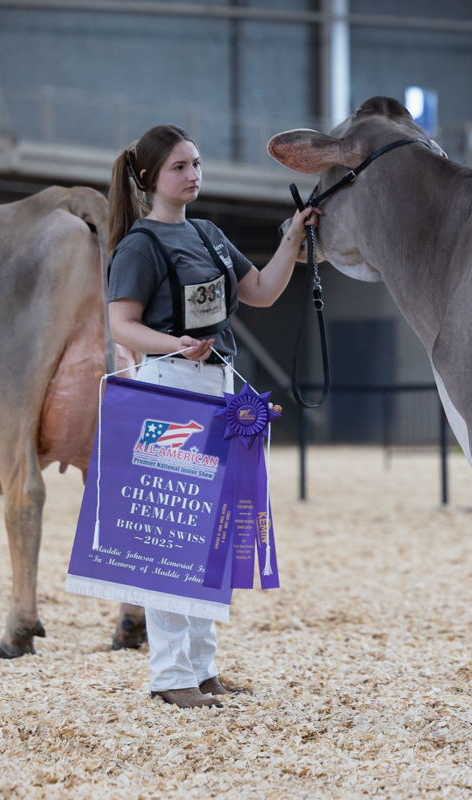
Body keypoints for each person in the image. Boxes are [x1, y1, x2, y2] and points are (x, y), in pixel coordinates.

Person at [106, 124, 320, 708]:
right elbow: (121, 324)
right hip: (169, 387)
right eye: (179, 166)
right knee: (171, 536)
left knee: (209, 536)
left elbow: (263, 291)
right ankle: (169, 675)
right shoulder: (139, 246)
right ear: (149, 178)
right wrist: (175, 345)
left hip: (218, 387)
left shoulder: (209, 234)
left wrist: (293, 237)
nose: (193, 174)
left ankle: (201, 668)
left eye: (196, 163)